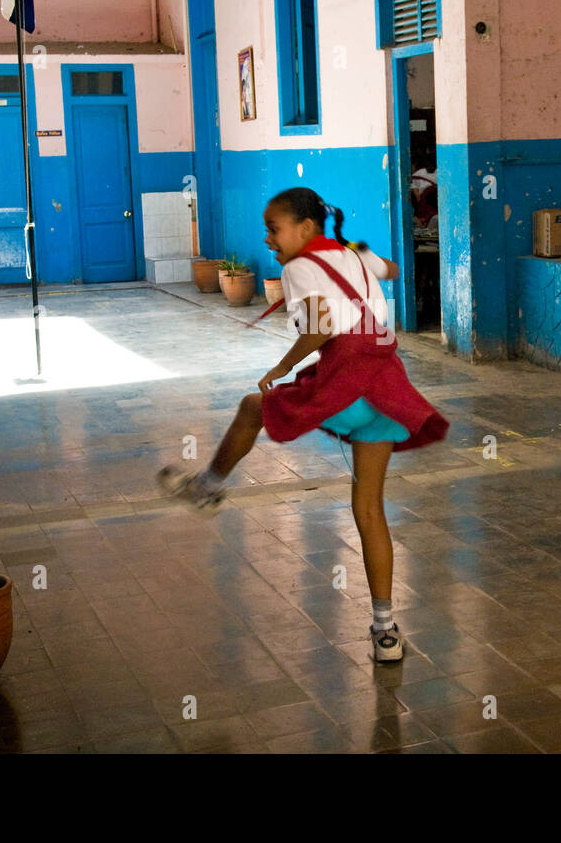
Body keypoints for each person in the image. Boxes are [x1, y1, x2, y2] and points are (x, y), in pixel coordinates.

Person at [158, 186, 449, 662]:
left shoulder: (297, 268)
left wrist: (280, 369)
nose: (268, 239)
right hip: (387, 391)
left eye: (274, 229)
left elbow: (320, 328)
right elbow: (390, 270)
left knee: (255, 406)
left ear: (306, 228)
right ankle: (385, 631)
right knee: (370, 510)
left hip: (347, 385)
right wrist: (359, 254)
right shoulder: (347, 253)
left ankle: (208, 486)